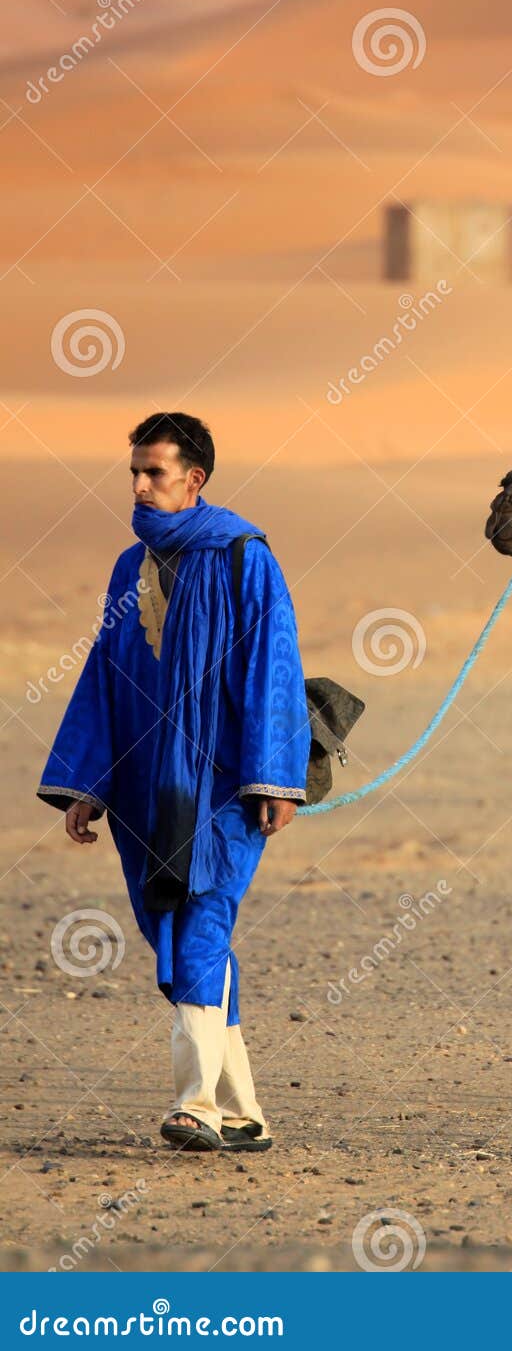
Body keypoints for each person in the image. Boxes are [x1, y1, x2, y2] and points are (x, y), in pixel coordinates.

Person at [37, 412, 310, 1152]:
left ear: (194, 479)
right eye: (132, 470)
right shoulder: (130, 568)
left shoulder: (244, 555)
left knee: (200, 923)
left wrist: (274, 777)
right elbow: (106, 671)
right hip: (148, 786)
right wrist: (88, 782)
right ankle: (245, 1112)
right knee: (175, 932)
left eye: (153, 472)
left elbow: (273, 666)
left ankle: (194, 1104)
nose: (138, 484)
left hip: (224, 785)